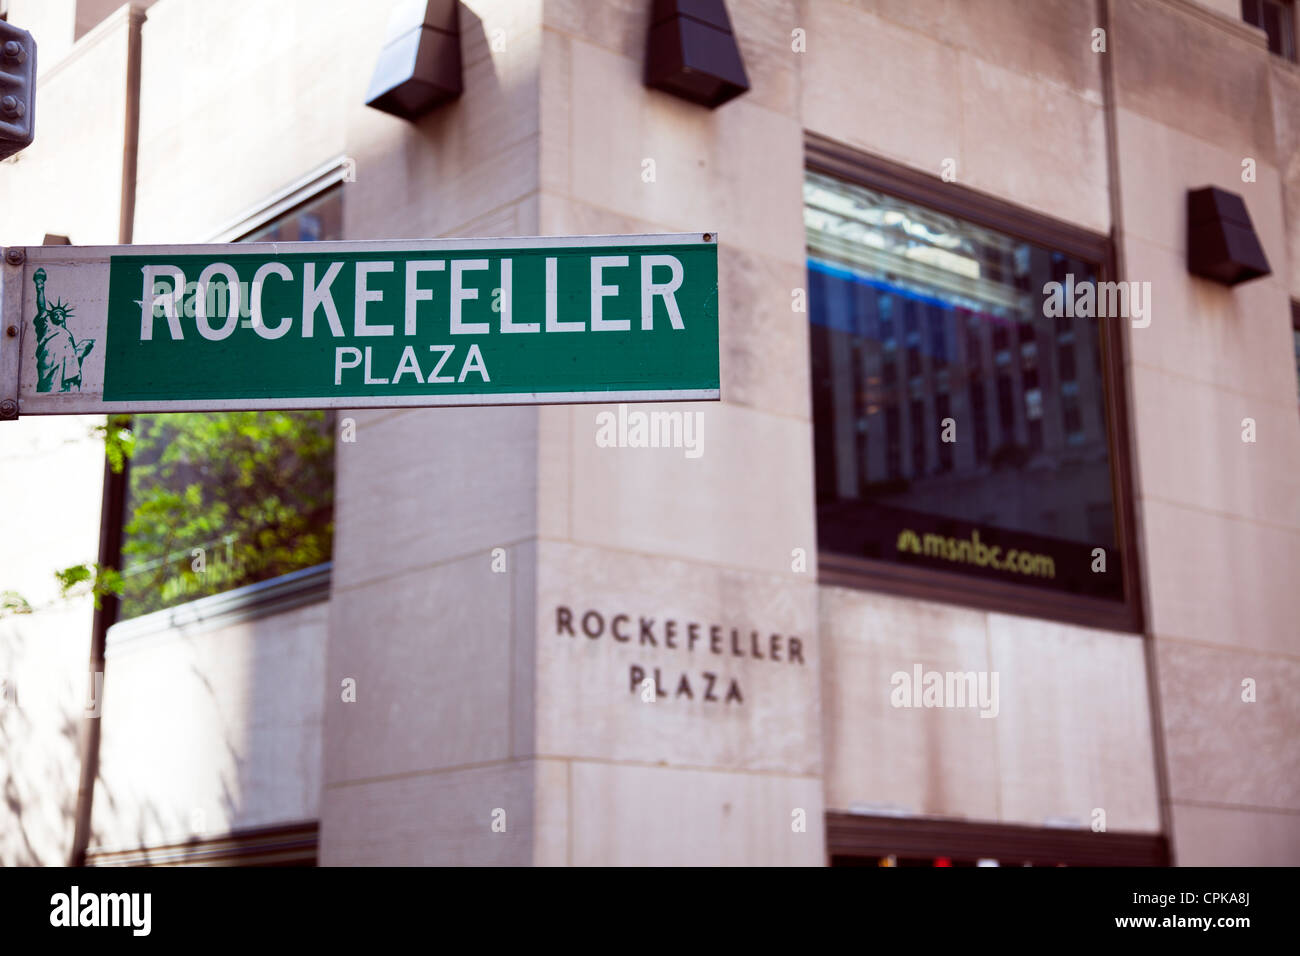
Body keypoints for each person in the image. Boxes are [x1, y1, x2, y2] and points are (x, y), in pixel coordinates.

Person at [33, 267, 93, 392]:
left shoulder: (67, 333)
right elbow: (42, 308)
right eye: (55, 313)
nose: (58, 314)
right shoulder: (47, 327)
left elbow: (74, 356)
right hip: (49, 360)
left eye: (61, 313)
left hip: (67, 364)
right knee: (48, 387)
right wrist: (40, 287)